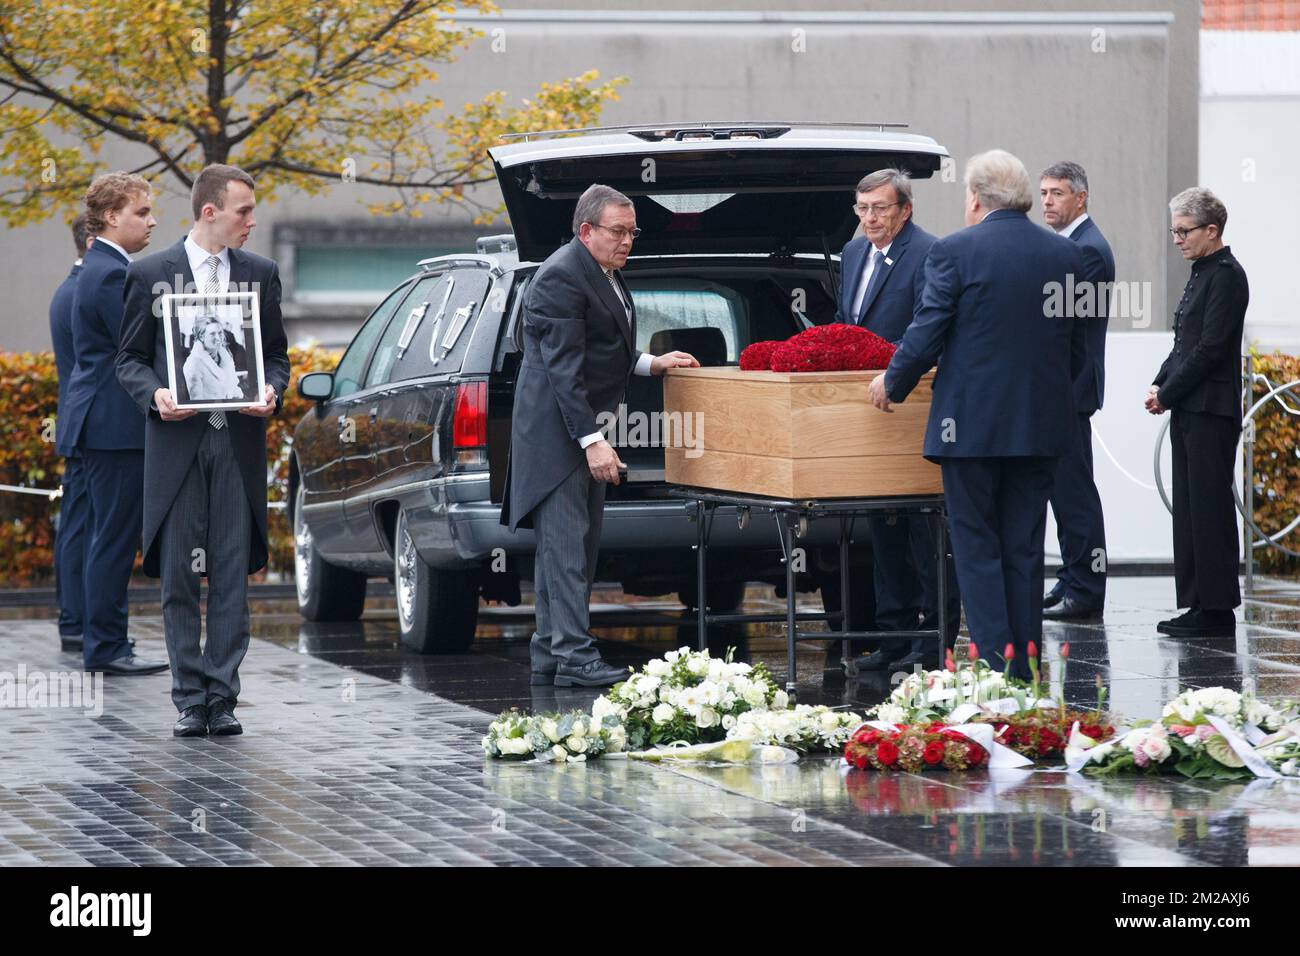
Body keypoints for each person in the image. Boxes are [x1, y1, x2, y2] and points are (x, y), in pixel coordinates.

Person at [868, 150, 1085, 681]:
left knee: (977, 549)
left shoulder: (954, 252)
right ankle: (1025, 667)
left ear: (975, 198)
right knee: (1026, 549)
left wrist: (891, 380)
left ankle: (993, 667)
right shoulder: (1064, 255)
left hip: (968, 431)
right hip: (1038, 428)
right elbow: (1077, 347)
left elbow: (928, 329)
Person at [501, 184, 698, 687]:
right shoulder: (561, 278)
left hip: (570, 433)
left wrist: (653, 362)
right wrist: (592, 440)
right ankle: (574, 656)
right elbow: (563, 371)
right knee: (568, 553)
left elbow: (600, 349)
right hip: (557, 438)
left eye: (633, 232)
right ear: (585, 230)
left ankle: (549, 652)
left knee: (569, 550)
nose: (628, 240)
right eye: (618, 231)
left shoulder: (603, 273)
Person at [117, 163, 290, 736]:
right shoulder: (150, 275)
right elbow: (128, 359)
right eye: (244, 210)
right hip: (178, 443)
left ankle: (224, 697)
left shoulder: (261, 274)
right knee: (180, 577)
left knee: (232, 572)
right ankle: (190, 698)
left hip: (237, 442)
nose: (252, 221)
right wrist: (157, 395)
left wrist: (272, 389)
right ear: (210, 212)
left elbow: (277, 356)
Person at [833, 168, 959, 672]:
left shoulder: (930, 252)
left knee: (923, 534)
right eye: (862, 208)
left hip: (915, 406)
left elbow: (930, 327)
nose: (869, 218)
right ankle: (892, 640)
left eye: (879, 208)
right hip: (870, 412)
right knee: (882, 530)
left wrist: (897, 376)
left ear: (905, 209)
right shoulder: (852, 251)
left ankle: (931, 647)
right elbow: (849, 329)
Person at [57, 173, 167, 676]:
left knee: (108, 536)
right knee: (114, 540)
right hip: (114, 426)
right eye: (141, 212)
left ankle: (105, 643)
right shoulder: (110, 274)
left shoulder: (102, 268)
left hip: (105, 423)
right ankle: (106, 647)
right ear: (109, 217)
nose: (151, 221)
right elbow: (137, 349)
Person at [1146, 187, 1247, 638]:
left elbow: (1209, 350)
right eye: (1174, 231)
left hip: (1210, 408)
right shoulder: (1201, 272)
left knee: (1208, 508)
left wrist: (1168, 393)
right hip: (1191, 405)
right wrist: (1159, 381)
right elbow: (1182, 345)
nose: (1177, 239)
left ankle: (1217, 608)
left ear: (1212, 230)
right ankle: (1197, 603)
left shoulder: (1226, 275)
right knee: (1188, 508)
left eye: (1184, 231)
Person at [1040, 161, 1115, 621]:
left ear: (1080, 198)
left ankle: (1085, 589)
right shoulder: (1069, 245)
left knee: (1074, 495)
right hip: (1060, 389)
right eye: (1043, 192)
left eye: (1057, 193)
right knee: (1062, 492)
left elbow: (1063, 327)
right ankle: (1071, 578)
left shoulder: (1087, 250)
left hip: (1068, 390)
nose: (1047, 201)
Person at [49, 214, 92, 653]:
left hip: (79, 425)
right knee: (82, 527)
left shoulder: (71, 290)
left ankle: (75, 618)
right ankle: (75, 619)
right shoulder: (81, 293)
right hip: (87, 429)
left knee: (80, 525)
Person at [183, 315, 242, 401]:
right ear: (201, 337)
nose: (218, 338)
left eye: (220, 333)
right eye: (212, 334)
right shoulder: (193, 363)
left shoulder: (225, 356)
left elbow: (233, 388)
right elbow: (197, 401)